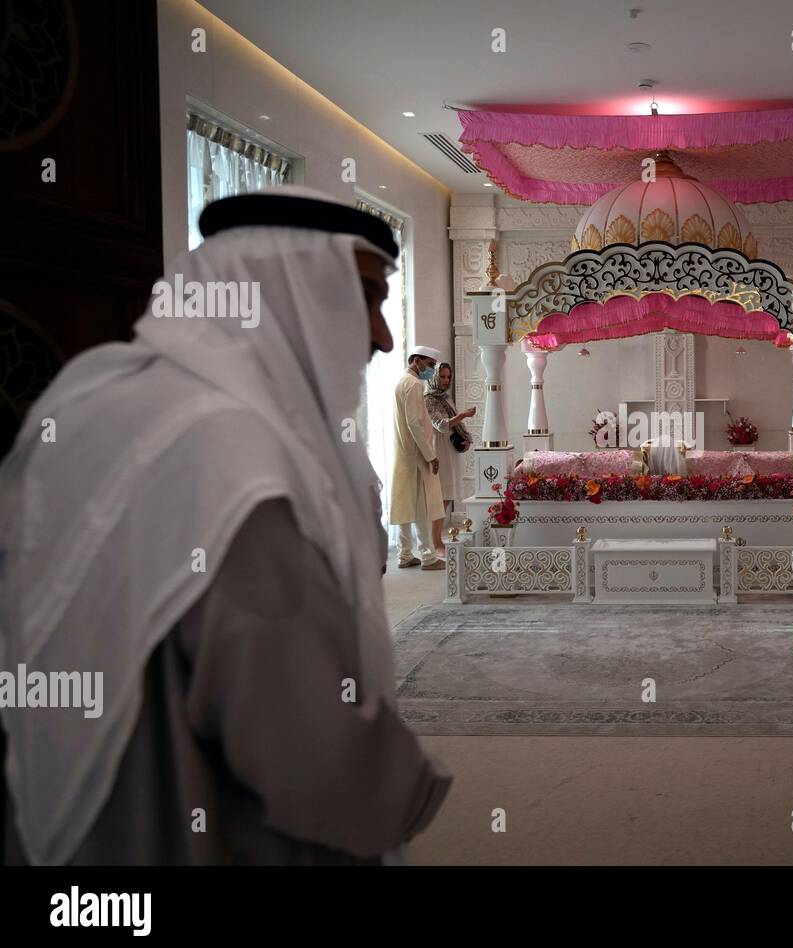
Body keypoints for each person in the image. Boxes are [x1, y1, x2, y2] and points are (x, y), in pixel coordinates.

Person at [0, 185, 451, 864]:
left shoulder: (90, 391)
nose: (382, 335)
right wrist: (401, 792)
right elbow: (304, 743)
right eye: (365, 296)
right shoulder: (240, 459)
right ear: (287, 288)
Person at [391, 346, 444, 569]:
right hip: (416, 453)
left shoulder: (402, 381)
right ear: (417, 361)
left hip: (403, 452)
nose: (431, 370)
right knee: (422, 504)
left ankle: (404, 554)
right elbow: (414, 423)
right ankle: (428, 556)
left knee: (404, 502)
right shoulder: (413, 384)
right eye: (430, 365)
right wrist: (430, 455)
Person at [424, 362, 475, 560]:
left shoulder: (445, 398)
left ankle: (436, 540)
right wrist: (462, 415)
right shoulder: (429, 399)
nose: (445, 381)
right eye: (442, 377)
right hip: (439, 448)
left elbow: (454, 425)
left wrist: (465, 437)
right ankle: (435, 542)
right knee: (440, 497)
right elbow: (441, 425)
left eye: (447, 377)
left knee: (445, 497)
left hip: (448, 449)